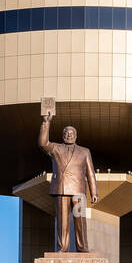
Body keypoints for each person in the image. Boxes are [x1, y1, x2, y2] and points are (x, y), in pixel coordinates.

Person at [38, 108, 98, 252]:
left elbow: (90, 173)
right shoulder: (56, 148)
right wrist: (46, 123)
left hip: (78, 191)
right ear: (63, 135)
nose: (69, 135)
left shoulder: (84, 151)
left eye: (71, 134)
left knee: (80, 220)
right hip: (62, 189)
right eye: (66, 133)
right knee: (62, 222)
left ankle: (82, 248)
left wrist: (94, 192)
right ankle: (62, 248)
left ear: (76, 136)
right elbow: (43, 143)